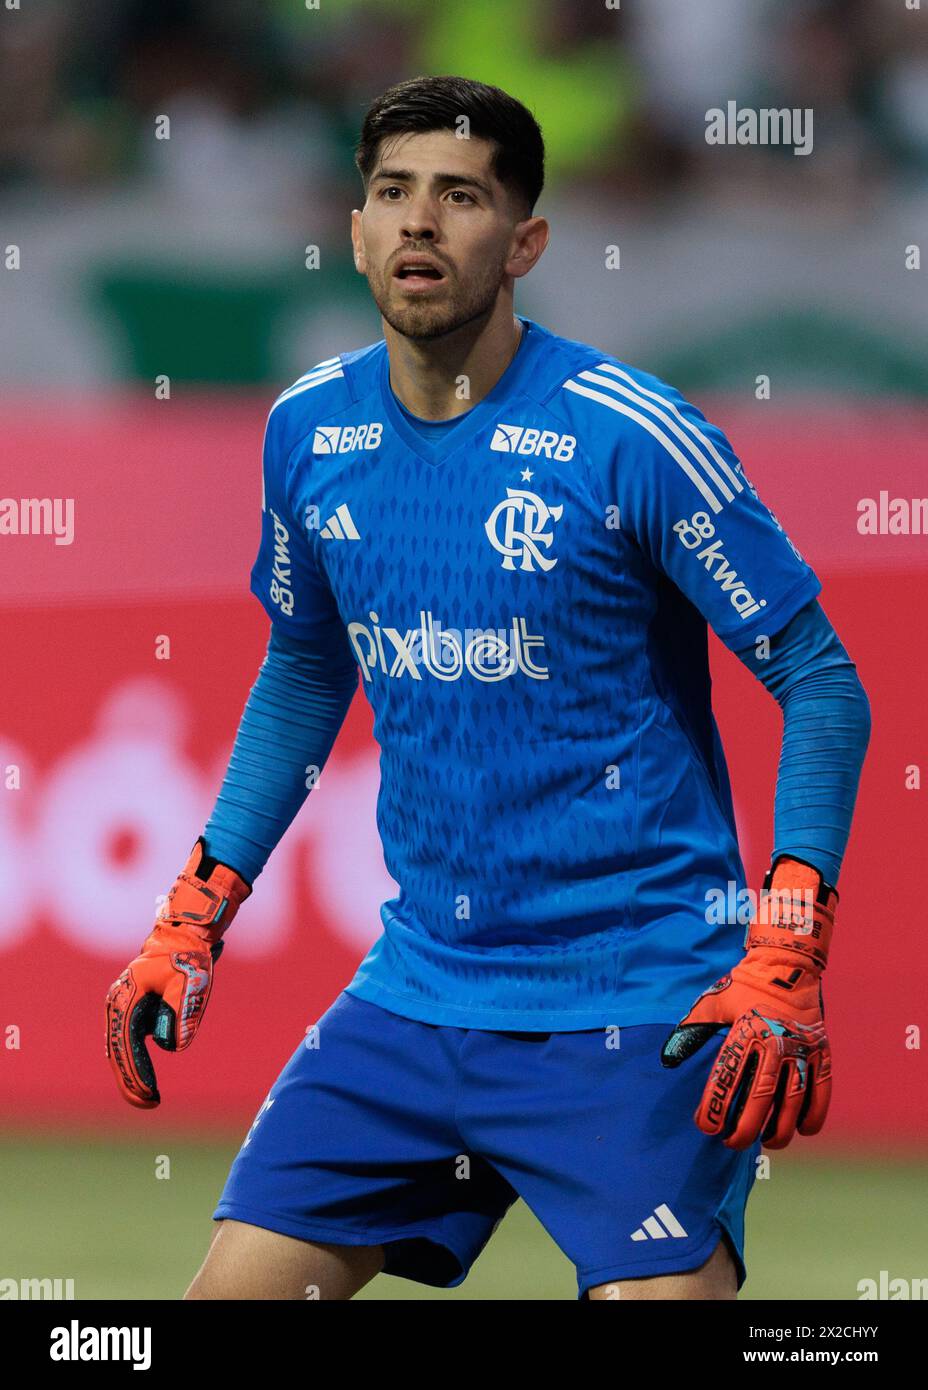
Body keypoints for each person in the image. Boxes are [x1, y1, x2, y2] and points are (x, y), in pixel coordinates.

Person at [105, 75, 871, 1301]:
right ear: (354, 231)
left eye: (460, 197)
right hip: (417, 996)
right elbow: (306, 667)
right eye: (392, 194)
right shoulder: (308, 431)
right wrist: (195, 907)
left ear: (523, 242)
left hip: (642, 1005)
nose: (419, 222)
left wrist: (789, 936)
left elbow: (822, 683)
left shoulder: (631, 434)